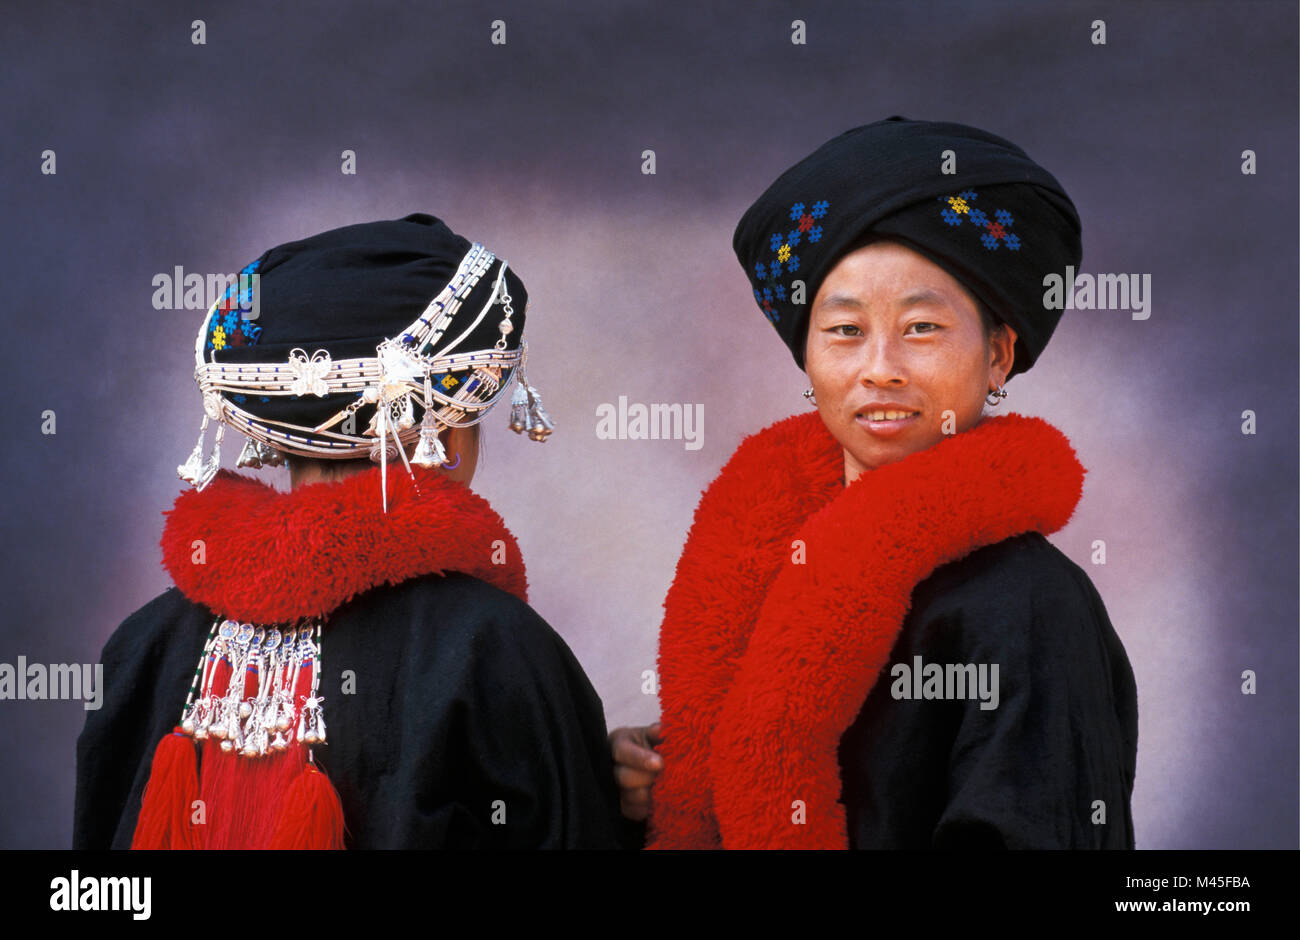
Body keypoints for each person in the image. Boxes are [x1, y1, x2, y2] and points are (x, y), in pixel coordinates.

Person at [611, 116, 1139, 849]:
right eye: (844, 331)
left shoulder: (1030, 604)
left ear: (998, 355)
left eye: (922, 328)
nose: (880, 367)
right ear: (807, 357)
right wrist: (639, 789)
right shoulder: (759, 557)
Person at [75, 213, 624, 849]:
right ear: (445, 435)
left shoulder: (142, 645)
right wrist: (617, 798)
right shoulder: (496, 651)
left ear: (276, 440)